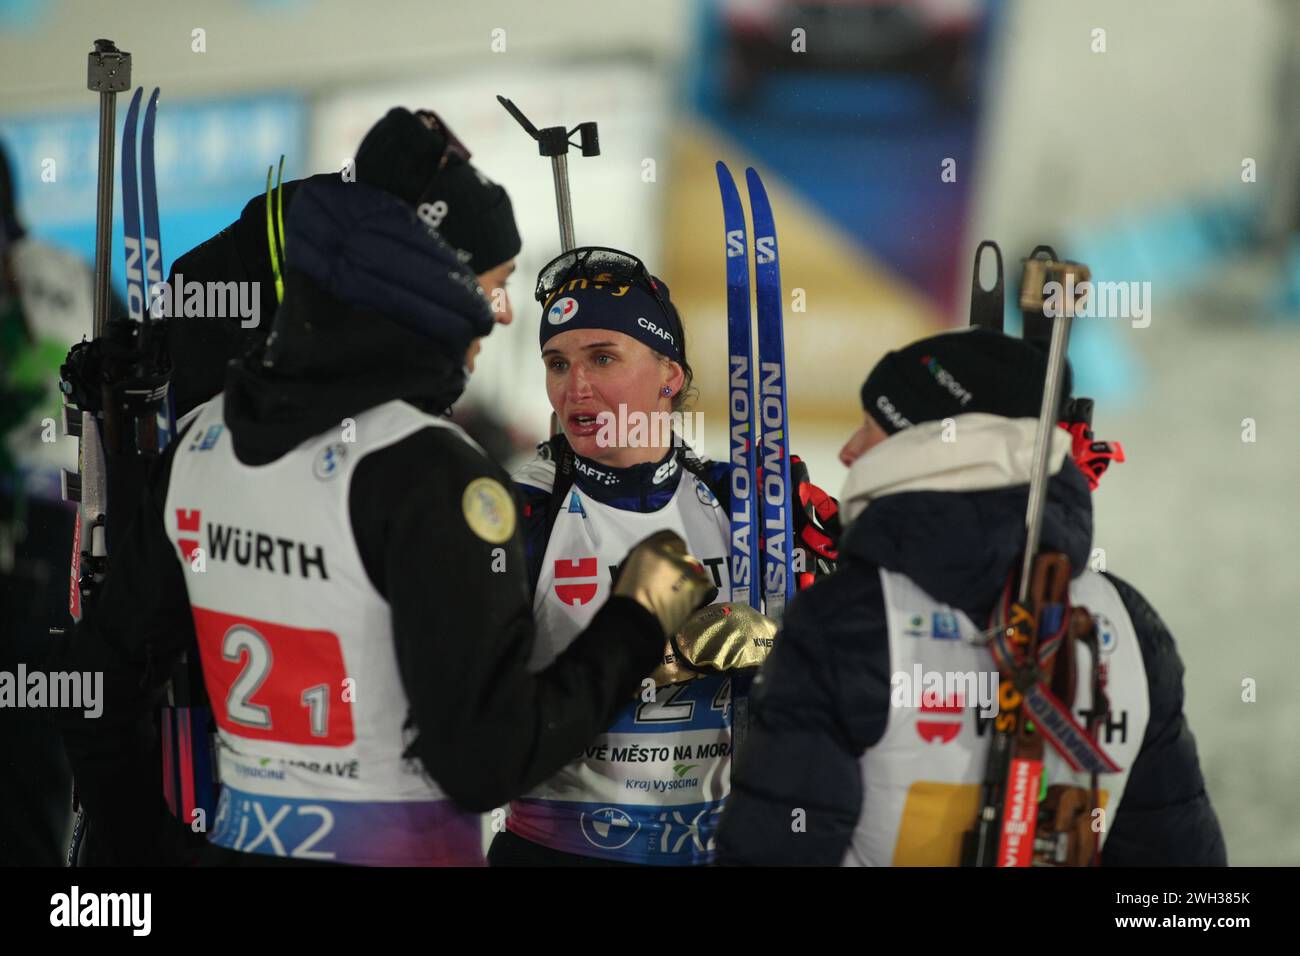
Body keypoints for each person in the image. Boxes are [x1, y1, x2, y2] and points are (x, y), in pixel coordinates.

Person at [42, 175, 714, 866]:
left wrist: (149, 851)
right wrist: (636, 623)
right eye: (491, 287)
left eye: (602, 358)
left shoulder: (206, 439)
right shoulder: (441, 472)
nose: (499, 315)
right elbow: (486, 758)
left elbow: (95, 684)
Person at [716, 327, 1226, 866]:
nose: (849, 451)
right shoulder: (1129, 623)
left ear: (928, 449)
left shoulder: (844, 619)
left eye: (872, 428)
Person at [488, 246, 838, 866]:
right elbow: (480, 721)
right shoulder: (520, 514)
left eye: (602, 358)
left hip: (719, 848)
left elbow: (851, 670)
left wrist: (780, 641)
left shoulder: (749, 501)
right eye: (557, 363)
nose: (576, 387)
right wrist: (661, 656)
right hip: (562, 850)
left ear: (669, 375)